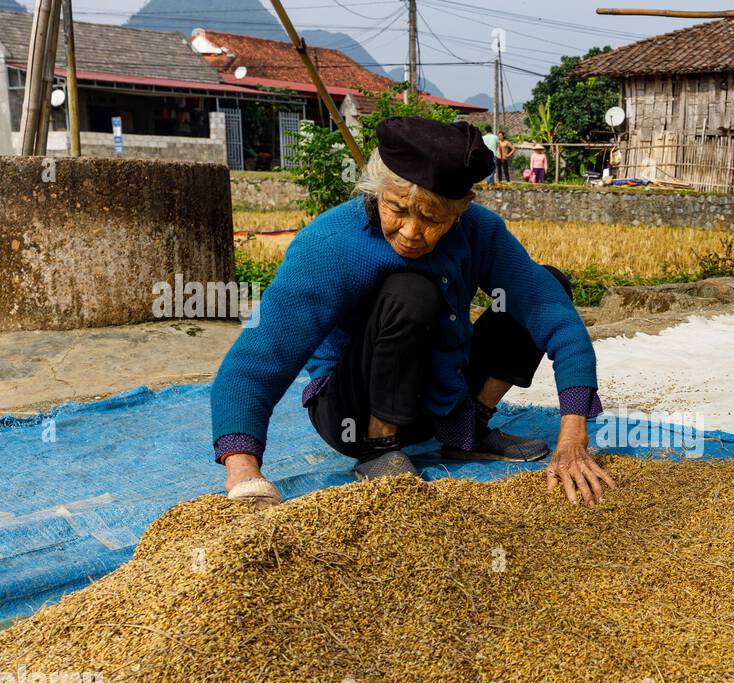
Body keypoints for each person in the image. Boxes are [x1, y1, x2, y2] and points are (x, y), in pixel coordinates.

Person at [212, 116, 614, 509]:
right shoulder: (331, 244)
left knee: (547, 285)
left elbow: (556, 318)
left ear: (461, 210)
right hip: (351, 411)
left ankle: (467, 427)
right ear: (376, 191)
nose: (410, 232)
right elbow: (261, 357)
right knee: (411, 290)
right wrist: (244, 469)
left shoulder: (479, 231)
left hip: (438, 399)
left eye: (432, 218)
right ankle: (379, 448)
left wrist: (573, 436)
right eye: (397, 209)